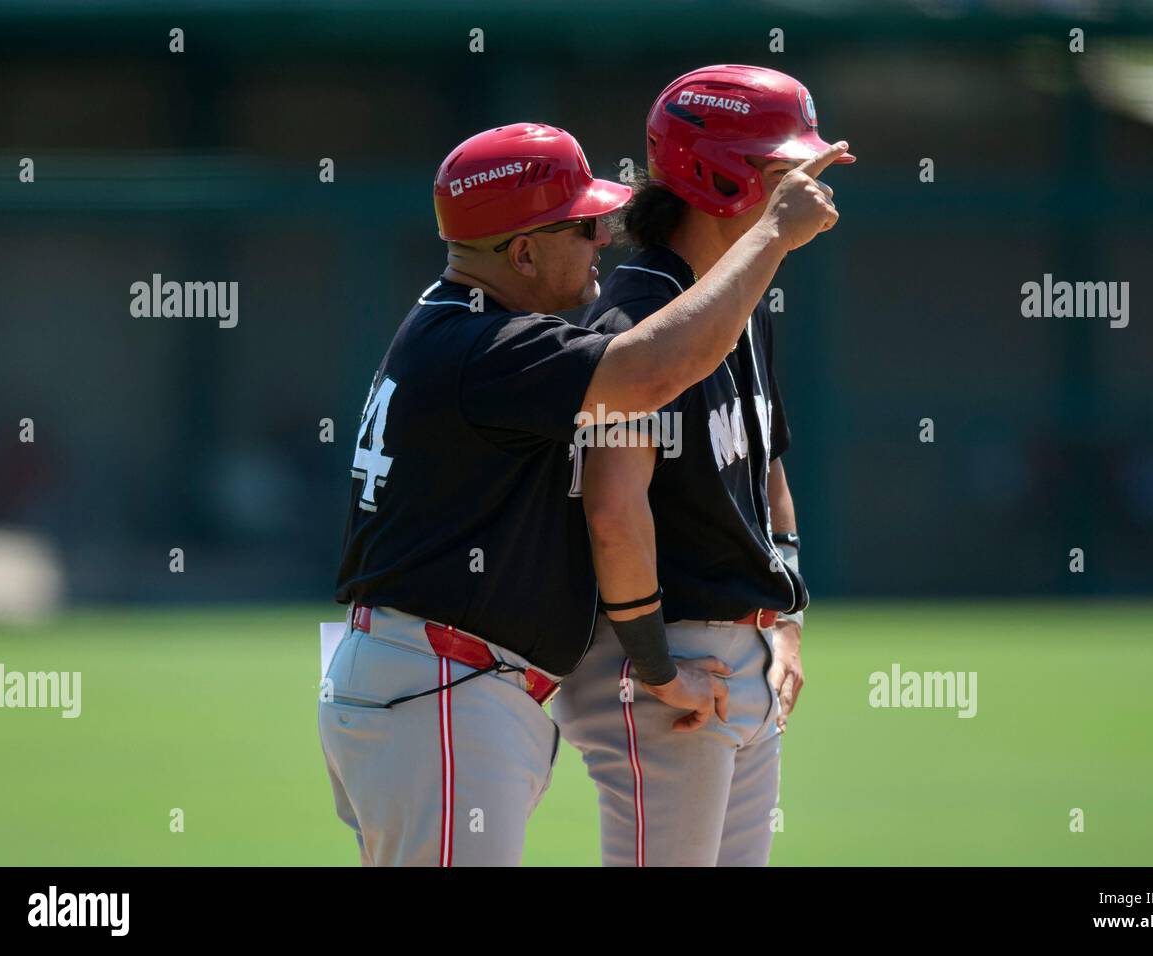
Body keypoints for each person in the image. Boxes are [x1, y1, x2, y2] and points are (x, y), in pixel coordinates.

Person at [318, 121, 844, 865]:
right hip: (440, 682)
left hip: (443, 681)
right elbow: (652, 372)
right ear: (523, 252)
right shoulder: (483, 347)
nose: (603, 236)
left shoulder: (466, 326)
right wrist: (773, 236)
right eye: (582, 224)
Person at [552, 66, 854, 866]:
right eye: (783, 166)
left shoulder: (735, 302)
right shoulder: (638, 317)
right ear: (716, 176)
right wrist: (656, 668)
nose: (806, 183)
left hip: (738, 661)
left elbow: (769, 479)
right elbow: (613, 511)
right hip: (667, 665)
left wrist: (784, 620)